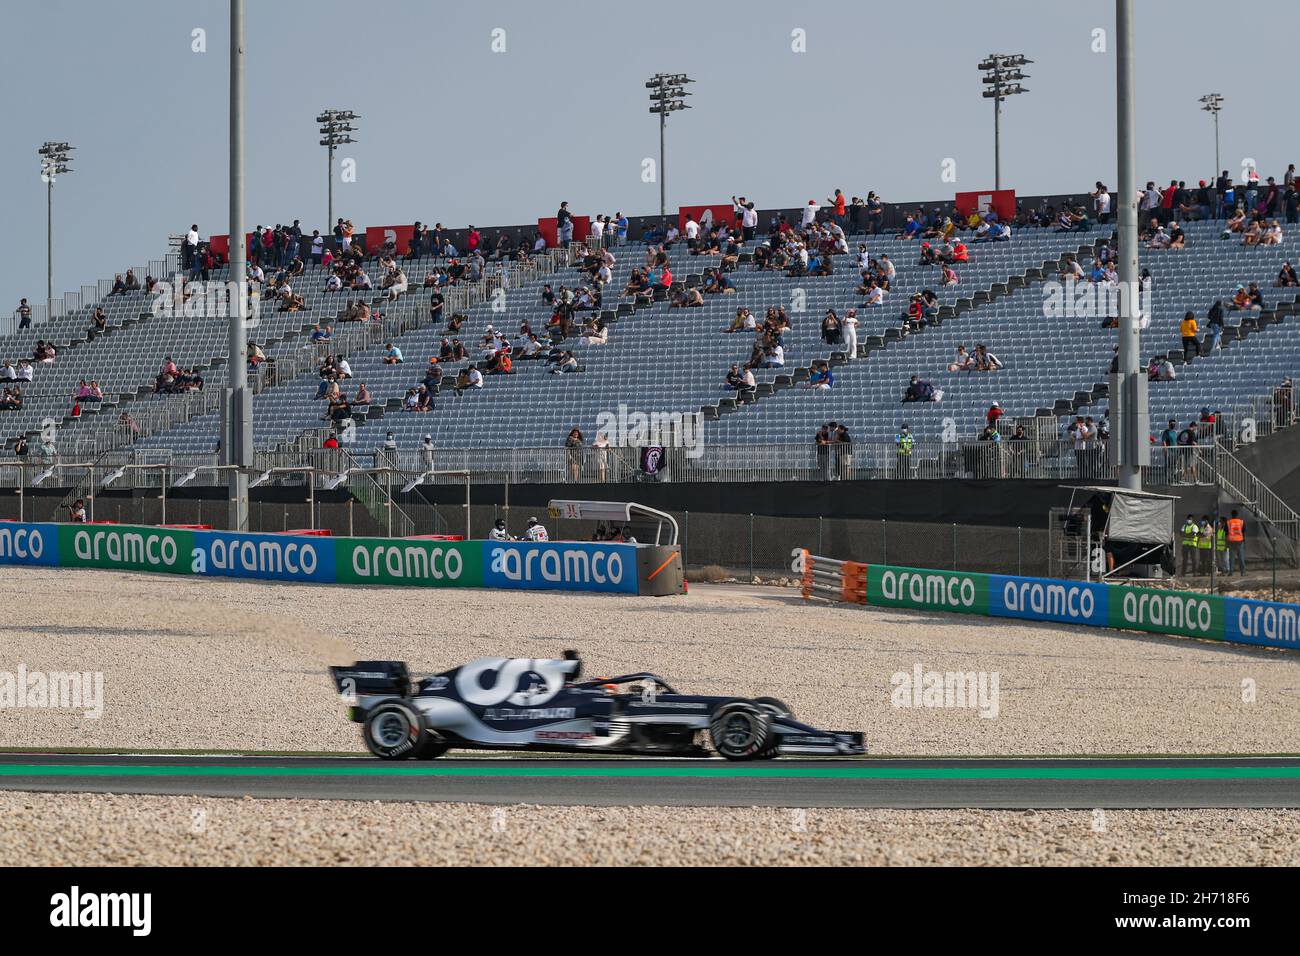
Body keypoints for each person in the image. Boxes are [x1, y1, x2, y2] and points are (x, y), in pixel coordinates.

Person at [1226, 510, 1246, 575]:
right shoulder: (1241, 522)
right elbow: (1244, 531)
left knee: (1231, 558)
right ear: (1237, 515)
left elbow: (1226, 532)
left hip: (1231, 541)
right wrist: (1244, 540)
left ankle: (1231, 572)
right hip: (1240, 541)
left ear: (1231, 515)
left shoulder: (1229, 522)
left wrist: (1227, 541)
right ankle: (1242, 572)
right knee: (1241, 557)